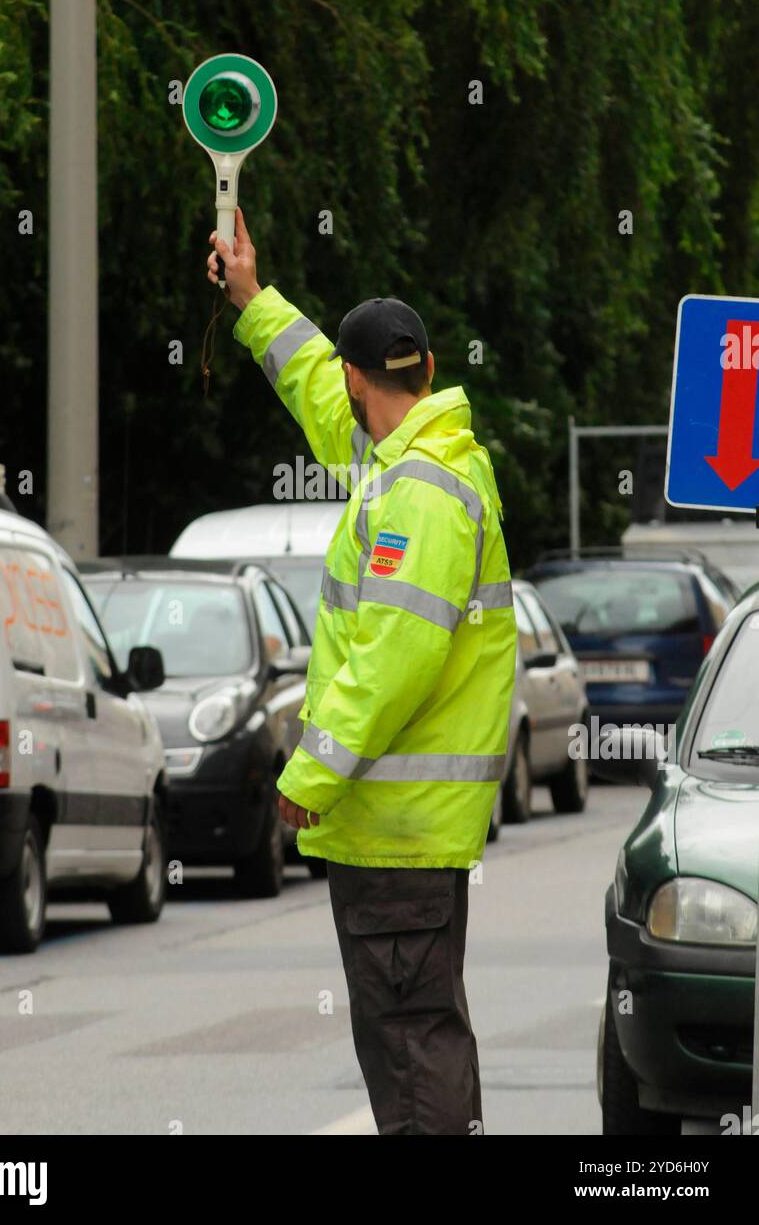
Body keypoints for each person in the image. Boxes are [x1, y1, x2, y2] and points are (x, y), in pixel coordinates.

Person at [207, 208, 517, 1135]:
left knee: (412, 1050)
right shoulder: (409, 460)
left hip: (395, 832)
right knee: (411, 1043)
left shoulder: (414, 494)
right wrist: (250, 297)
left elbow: (392, 660)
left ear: (362, 380)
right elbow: (313, 380)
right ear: (419, 372)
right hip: (404, 831)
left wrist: (309, 774)